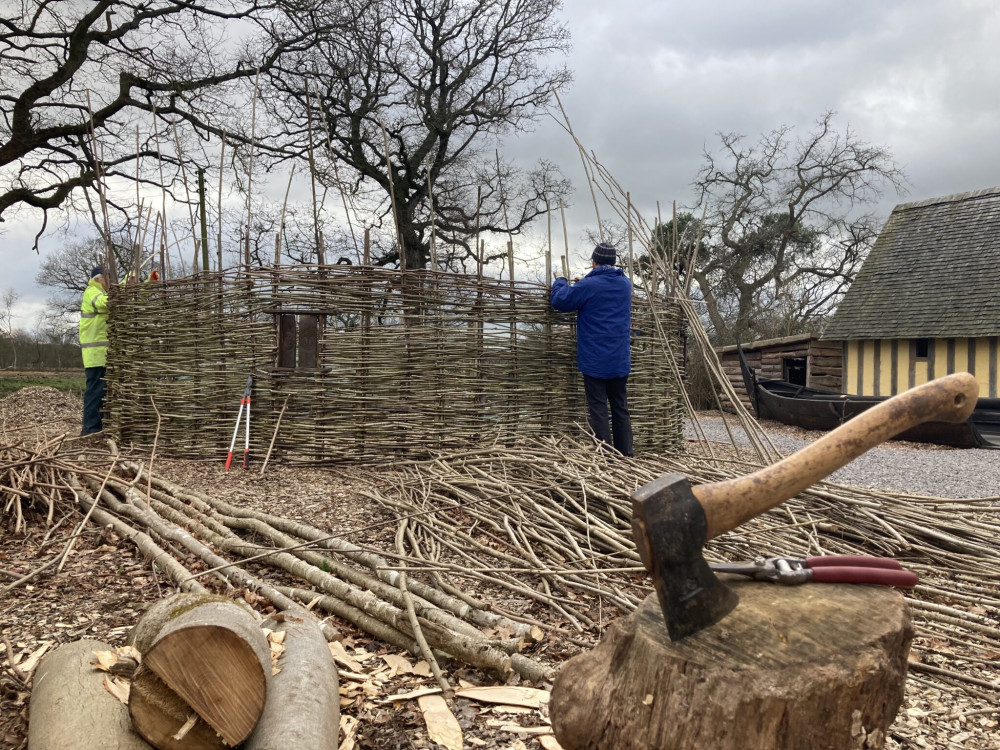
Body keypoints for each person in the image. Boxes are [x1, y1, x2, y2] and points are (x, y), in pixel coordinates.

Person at [550, 242, 634, 456]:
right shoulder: (625, 284)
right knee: (620, 408)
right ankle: (626, 455)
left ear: (594, 262)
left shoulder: (589, 286)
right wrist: (585, 282)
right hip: (619, 359)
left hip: (595, 359)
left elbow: (561, 301)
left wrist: (560, 280)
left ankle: (606, 458)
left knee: (598, 408)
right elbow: (601, 290)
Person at [79, 265, 110, 435]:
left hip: (105, 355)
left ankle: (98, 427)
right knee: (96, 392)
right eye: (108, 278)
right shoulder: (92, 292)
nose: (110, 282)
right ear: (98, 279)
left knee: (104, 392)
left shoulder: (103, 293)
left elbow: (129, 299)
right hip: (95, 355)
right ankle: (90, 430)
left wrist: (144, 281)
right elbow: (104, 303)